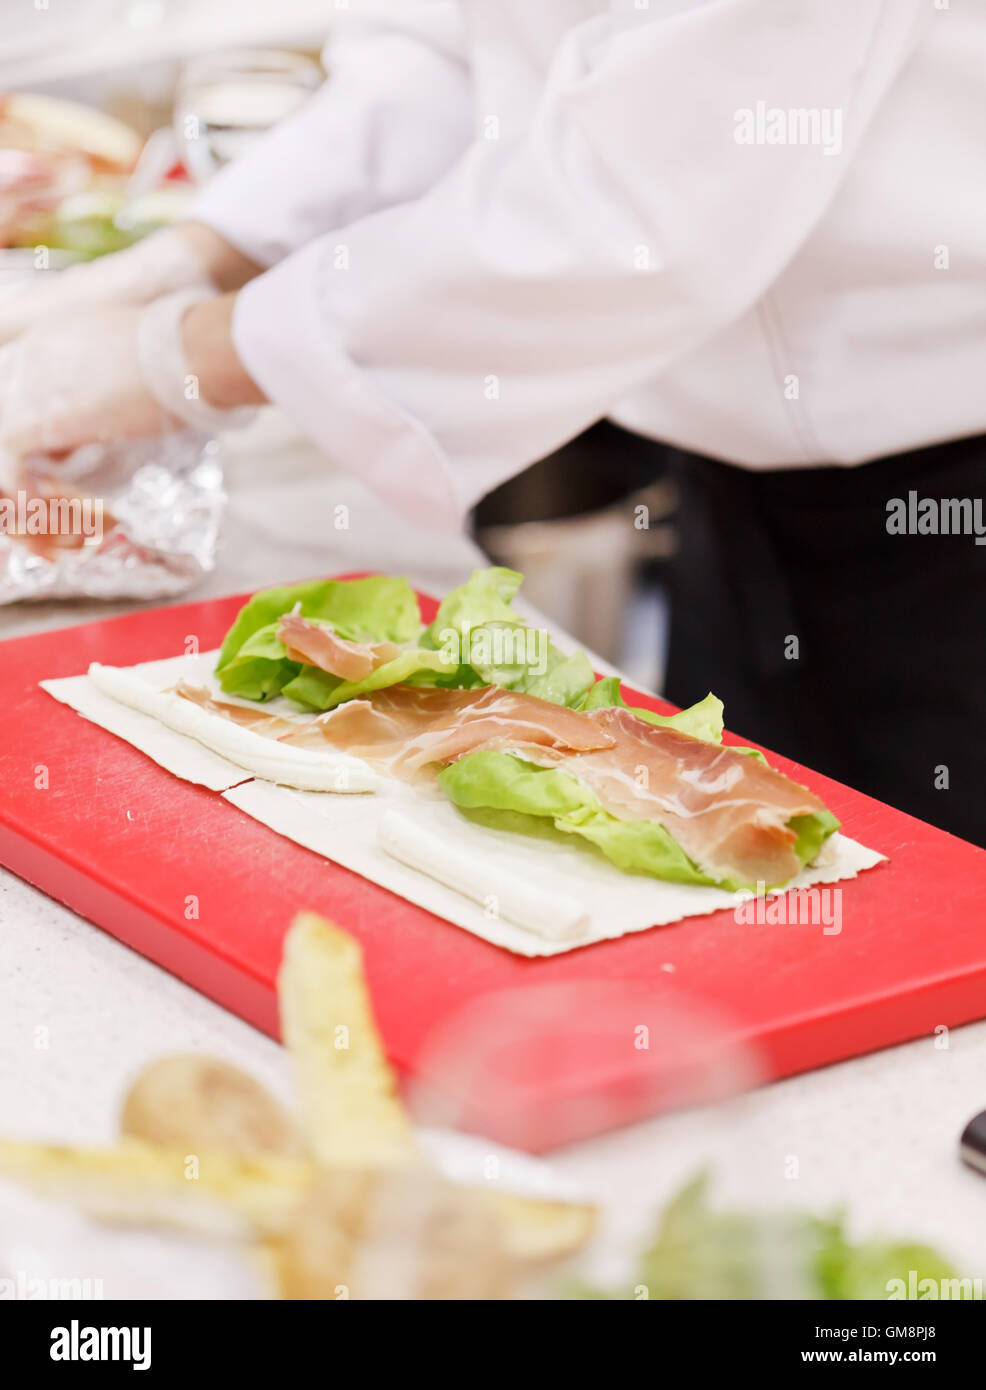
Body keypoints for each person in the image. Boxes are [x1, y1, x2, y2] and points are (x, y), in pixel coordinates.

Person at [0, 0, 983, 845]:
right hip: (739, 481)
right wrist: (199, 254)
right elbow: (461, 50)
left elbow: (628, 215)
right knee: (726, 861)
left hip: (945, 492)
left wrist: (183, 355)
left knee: (933, 942)